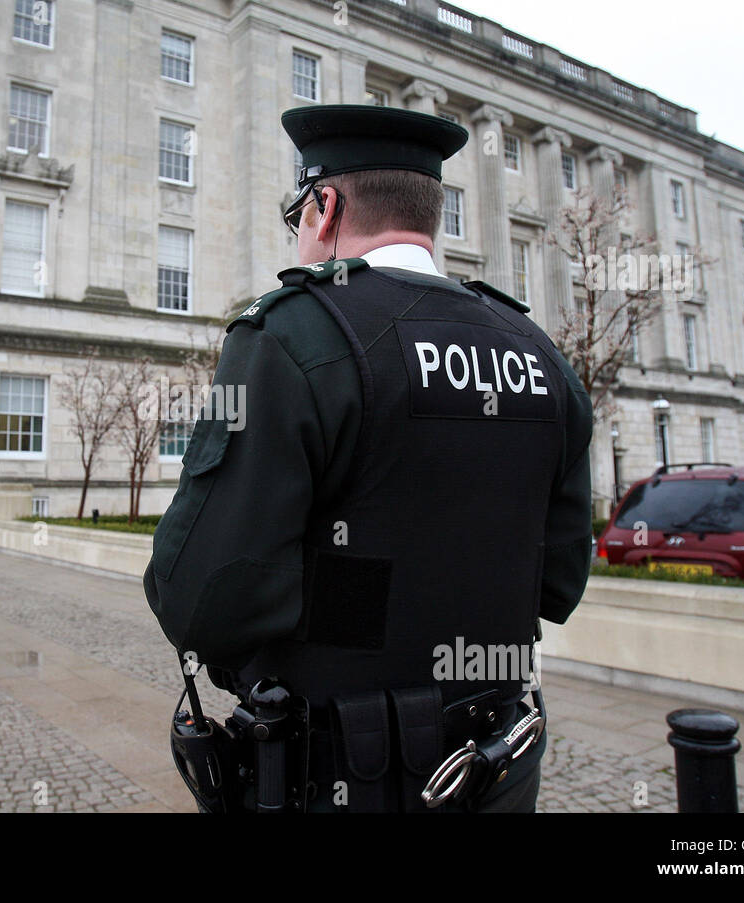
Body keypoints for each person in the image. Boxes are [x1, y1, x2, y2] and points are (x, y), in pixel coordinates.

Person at [144, 104, 593, 813]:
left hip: (342, 776)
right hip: (497, 768)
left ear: (324, 208)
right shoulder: (540, 355)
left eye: (297, 215)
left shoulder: (293, 336)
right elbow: (561, 581)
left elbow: (201, 598)